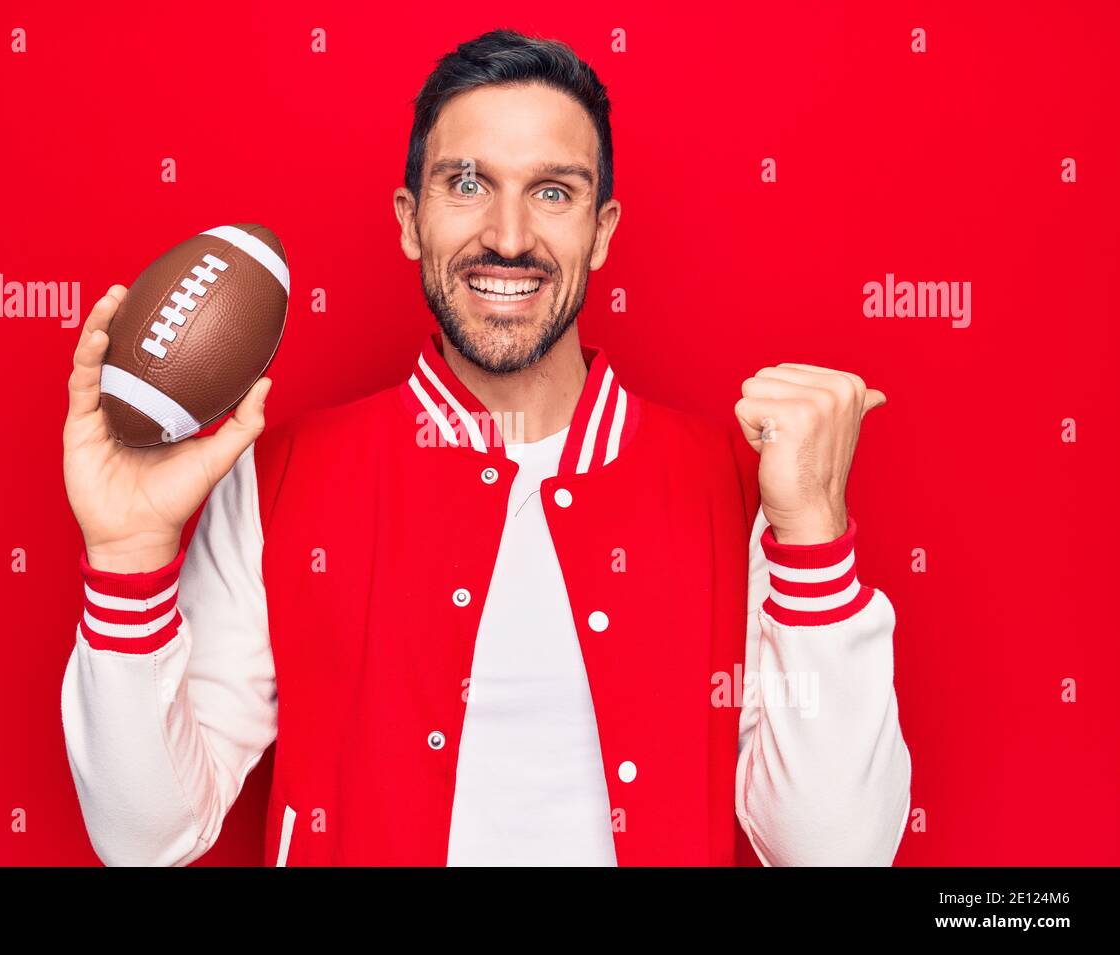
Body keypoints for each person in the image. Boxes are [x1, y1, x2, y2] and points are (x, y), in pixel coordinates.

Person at [60, 28, 911, 866]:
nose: (508, 236)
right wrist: (128, 554)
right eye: (467, 183)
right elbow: (146, 839)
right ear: (410, 219)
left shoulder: (739, 488)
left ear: (602, 230)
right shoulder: (278, 479)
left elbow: (836, 852)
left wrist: (815, 540)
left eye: (553, 192)